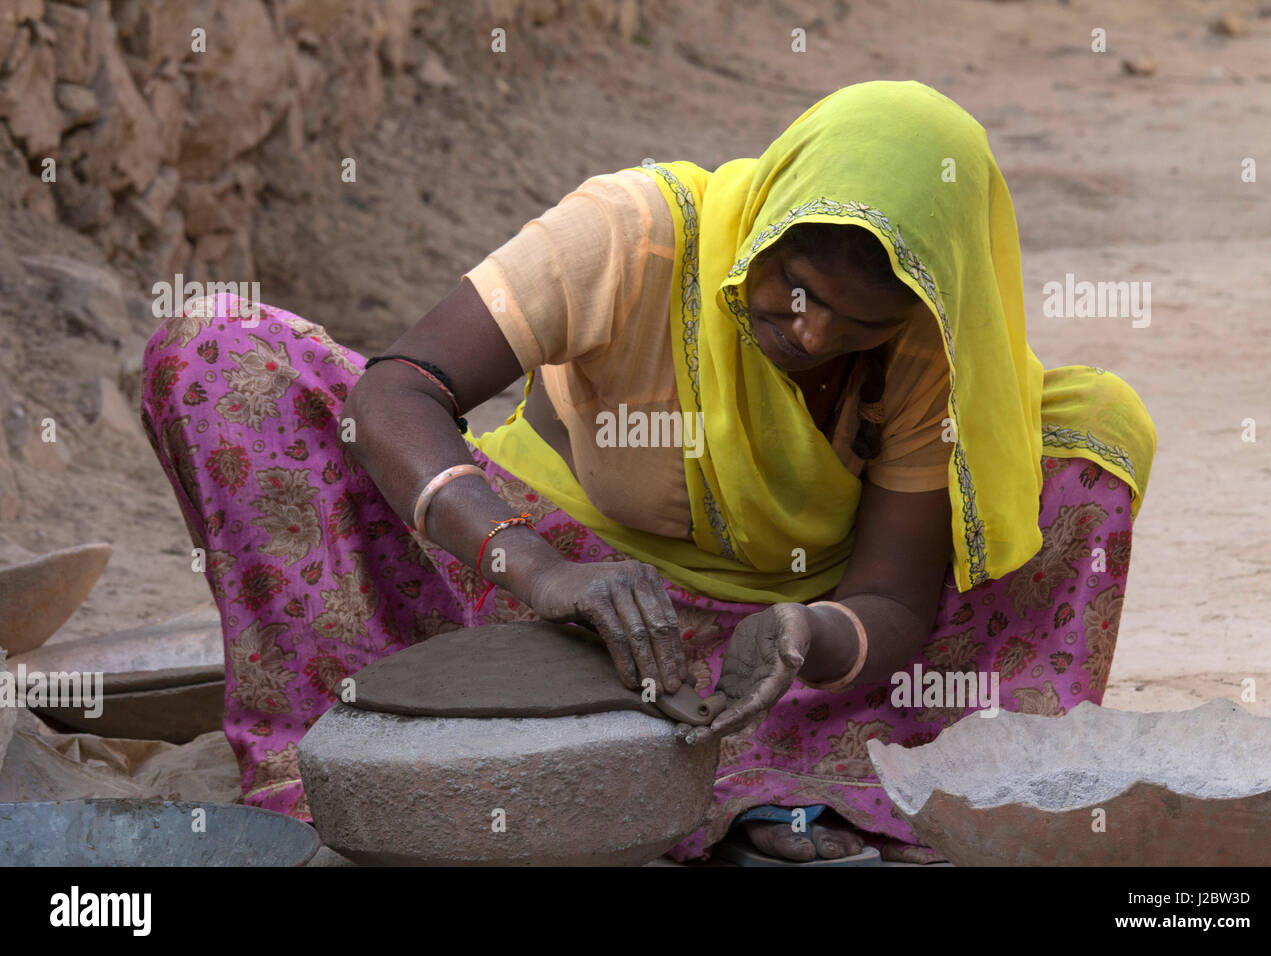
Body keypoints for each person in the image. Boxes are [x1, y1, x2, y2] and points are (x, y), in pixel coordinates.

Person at [140, 80, 1156, 863]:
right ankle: (345, 758)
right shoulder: (635, 232)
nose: (807, 331)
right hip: (507, 602)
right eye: (793, 285)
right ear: (766, 220)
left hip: (745, 679)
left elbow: (892, 595)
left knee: (1085, 432)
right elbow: (397, 389)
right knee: (221, 349)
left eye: (857, 321)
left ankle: (777, 777)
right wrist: (535, 566)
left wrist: (811, 636)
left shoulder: (924, 352)